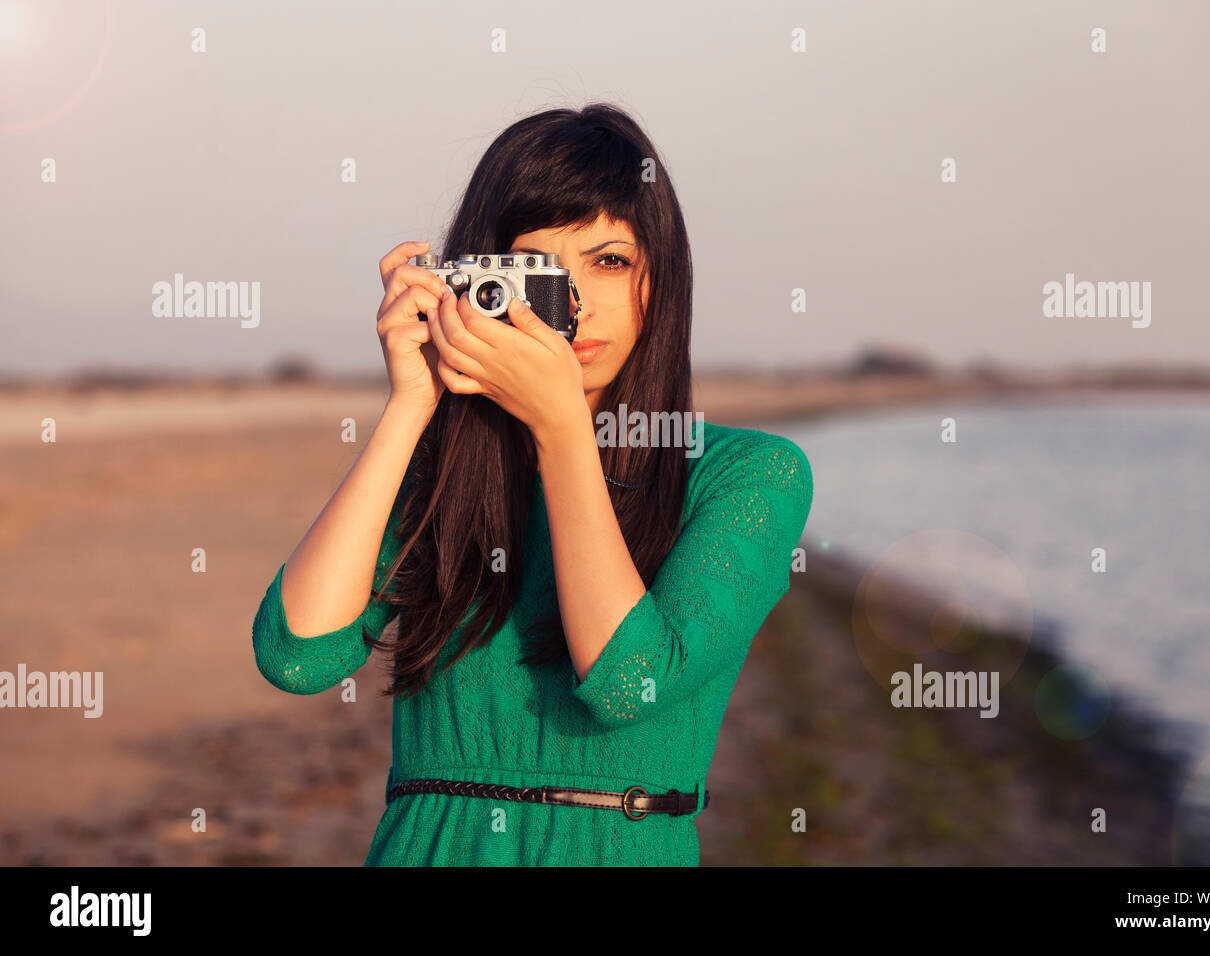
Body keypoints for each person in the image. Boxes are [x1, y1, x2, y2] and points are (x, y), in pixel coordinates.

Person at [250, 102, 814, 865]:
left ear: (663, 281)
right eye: (541, 271)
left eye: (610, 261)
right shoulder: (446, 472)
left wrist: (561, 431)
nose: (574, 305)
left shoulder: (749, 473)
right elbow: (299, 657)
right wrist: (412, 406)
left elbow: (627, 683)